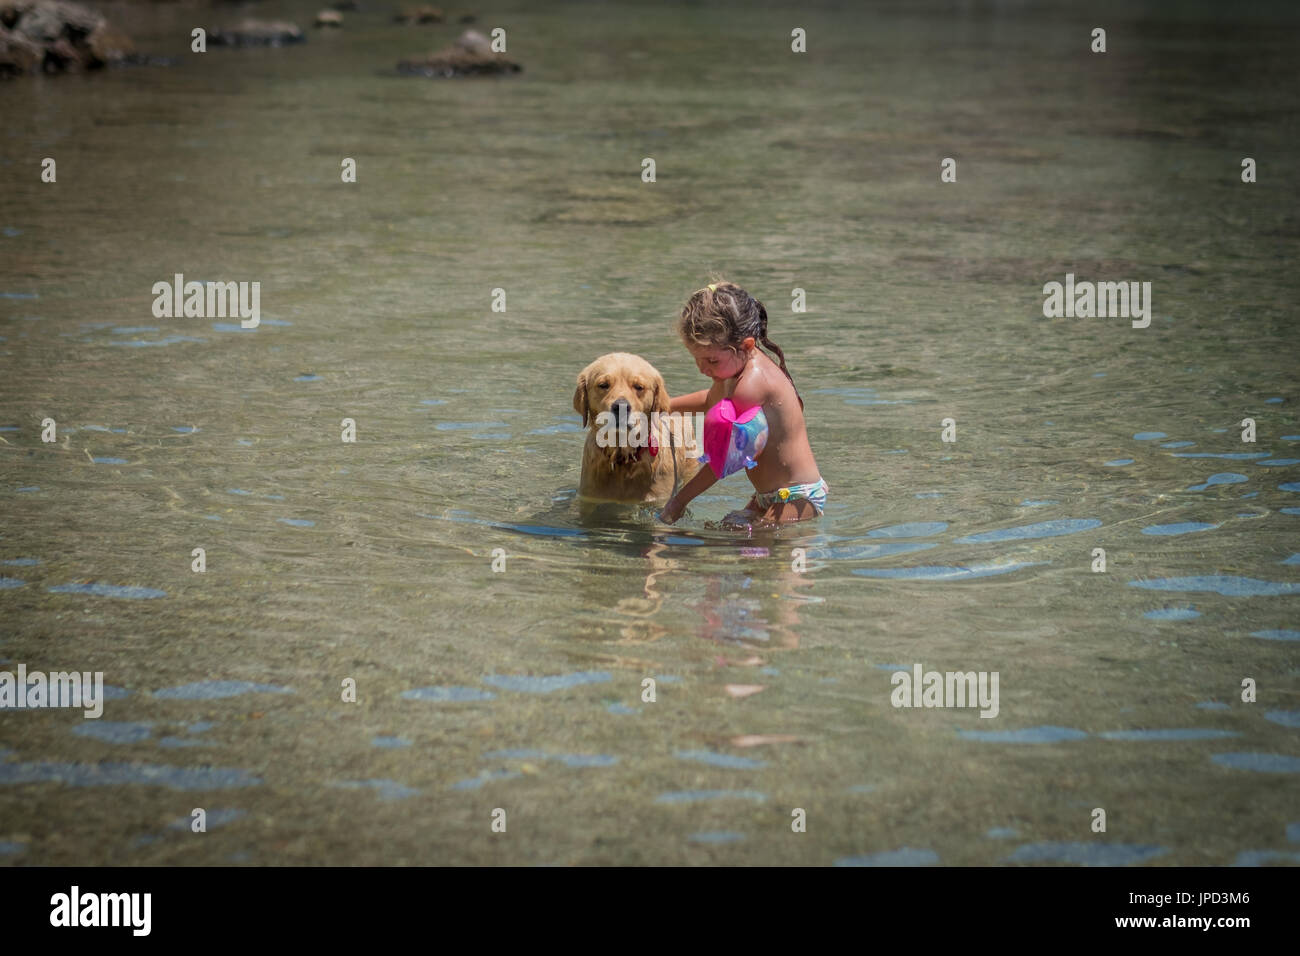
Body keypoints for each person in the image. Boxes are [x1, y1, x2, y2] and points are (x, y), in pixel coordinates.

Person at [659, 281, 827, 526]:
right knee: (733, 541)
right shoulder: (732, 369)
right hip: (766, 497)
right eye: (696, 359)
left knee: (734, 545)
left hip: (798, 497)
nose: (703, 368)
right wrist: (662, 406)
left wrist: (678, 502)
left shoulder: (751, 386)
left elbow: (723, 459)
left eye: (711, 360)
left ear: (746, 345)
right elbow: (709, 400)